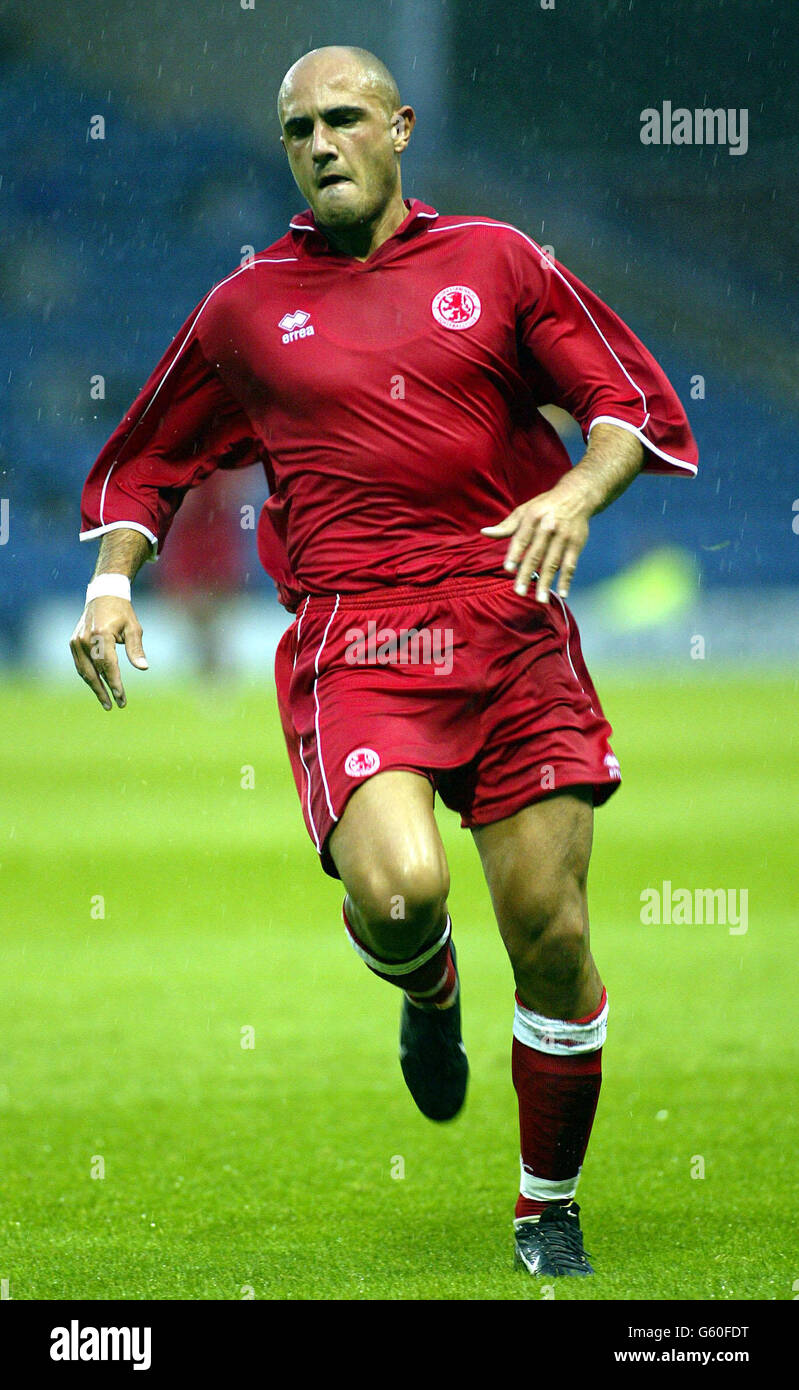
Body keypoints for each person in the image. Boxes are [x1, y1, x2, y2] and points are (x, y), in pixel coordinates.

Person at [70, 45, 698, 1278]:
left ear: (399, 128)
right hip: (362, 635)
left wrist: (574, 492)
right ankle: (426, 990)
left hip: (512, 622)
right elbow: (145, 458)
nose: (319, 143)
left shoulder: (499, 261)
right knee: (403, 892)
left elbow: (630, 405)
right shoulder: (246, 310)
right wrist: (107, 582)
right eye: (298, 128)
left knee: (552, 932)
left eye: (344, 119)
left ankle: (545, 1207)